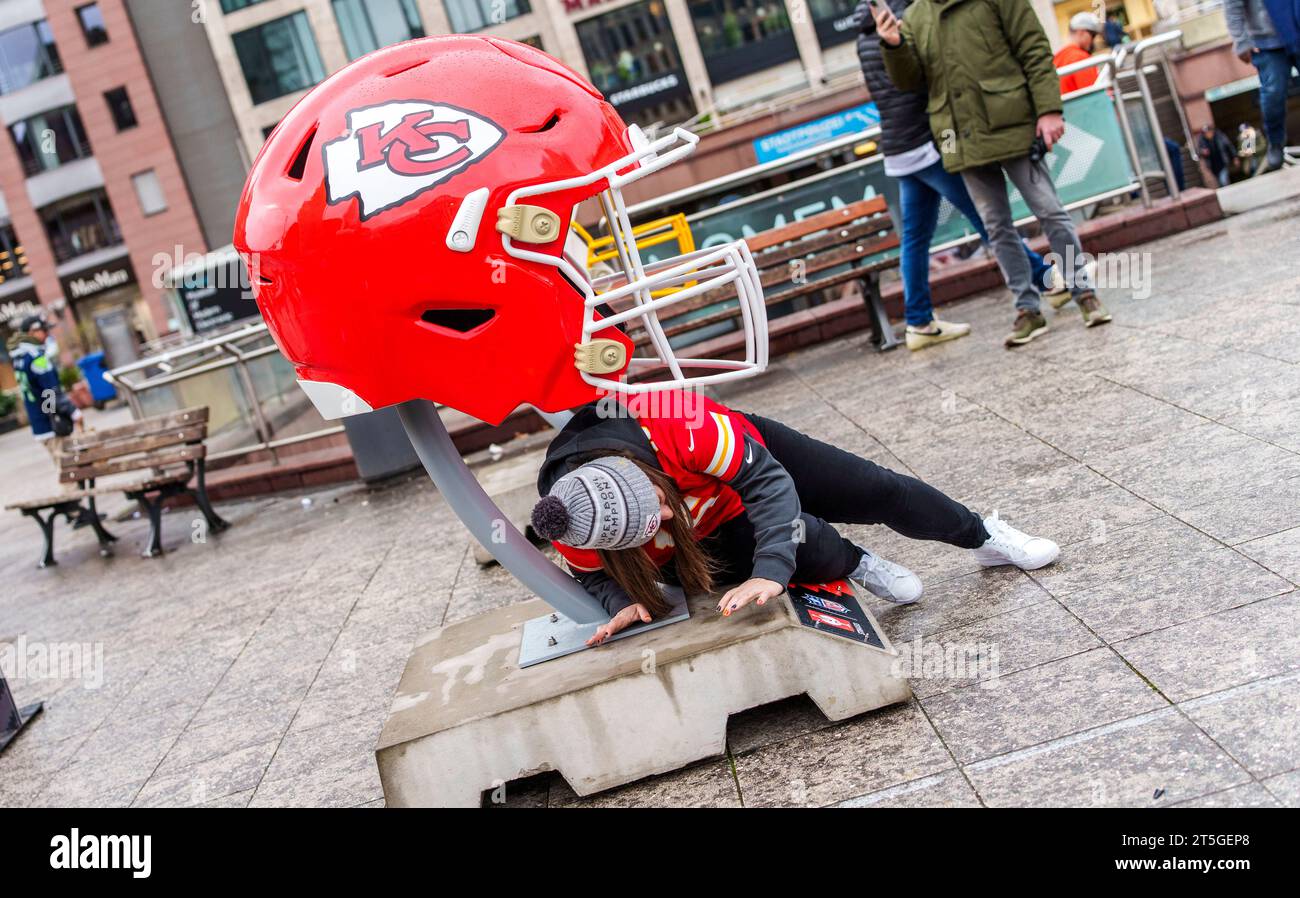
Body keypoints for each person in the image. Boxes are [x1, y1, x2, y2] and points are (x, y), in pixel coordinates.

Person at [531, 389, 1060, 644]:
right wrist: (620, 602)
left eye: (659, 499)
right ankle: (858, 563)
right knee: (810, 545)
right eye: (655, 523)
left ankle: (984, 536)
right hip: (715, 531)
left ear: (638, 469)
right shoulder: (575, 525)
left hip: (753, 463)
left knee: (875, 489)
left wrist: (771, 566)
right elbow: (596, 576)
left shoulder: (674, 421)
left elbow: (767, 484)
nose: (671, 513)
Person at [874, 0, 1114, 347]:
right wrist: (894, 45)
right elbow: (910, 81)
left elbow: (1033, 48)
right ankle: (1027, 309)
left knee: (1049, 211)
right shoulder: (915, 16)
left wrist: (1048, 109)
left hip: (1012, 123)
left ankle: (1084, 293)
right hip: (960, 137)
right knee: (996, 227)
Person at [1224, 0, 1299, 174]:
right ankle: (1276, 141)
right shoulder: (1248, 135)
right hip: (1267, 41)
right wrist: (1241, 41)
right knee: (1273, 93)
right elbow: (1232, 5)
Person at [8, 314, 80, 458]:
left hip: (38, 420)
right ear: (31, 333)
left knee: (66, 466)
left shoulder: (19, 357)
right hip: (51, 424)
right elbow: (49, 391)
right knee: (68, 466)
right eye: (44, 331)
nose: (47, 334)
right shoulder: (36, 357)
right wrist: (70, 412)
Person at [1054, 12, 1104, 95]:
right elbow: (1094, 97)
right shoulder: (1081, 57)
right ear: (1081, 32)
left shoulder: (1058, 57)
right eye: (1093, 35)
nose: (1094, 40)